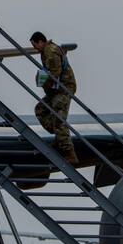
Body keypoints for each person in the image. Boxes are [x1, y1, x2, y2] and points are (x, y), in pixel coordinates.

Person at [30, 31, 79, 166]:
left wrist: (42, 81)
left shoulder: (51, 52)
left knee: (58, 120)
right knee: (40, 109)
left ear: (40, 41)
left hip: (63, 89)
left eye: (35, 45)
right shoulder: (45, 52)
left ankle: (69, 153)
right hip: (55, 90)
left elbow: (54, 74)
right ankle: (60, 137)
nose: (35, 48)